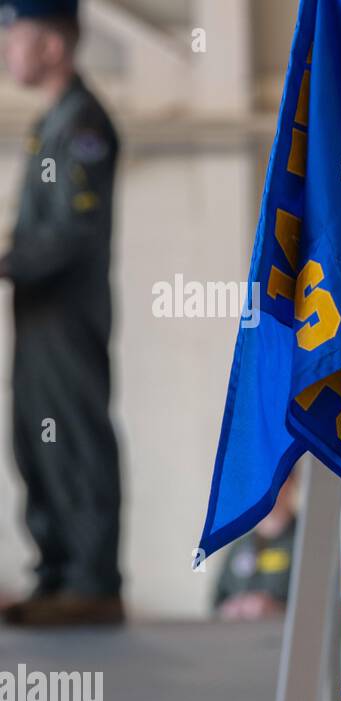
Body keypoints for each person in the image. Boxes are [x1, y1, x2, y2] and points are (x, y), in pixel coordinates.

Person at [0, 0, 124, 628]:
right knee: (33, 439)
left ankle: (91, 580)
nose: (5, 51)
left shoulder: (82, 125)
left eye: (12, 37)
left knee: (71, 436)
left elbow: (74, 233)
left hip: (66, 318)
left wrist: (6, 260)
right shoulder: (52, 123)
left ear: (51, 44)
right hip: (37, 319)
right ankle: (56, 575)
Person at [212, 470, 298, 622]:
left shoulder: (307, 544)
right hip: (242, 641)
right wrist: (231, 609)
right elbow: (215, 606)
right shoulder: (239, 545)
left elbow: (318, 606)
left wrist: (277, 610)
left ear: (291, 483)